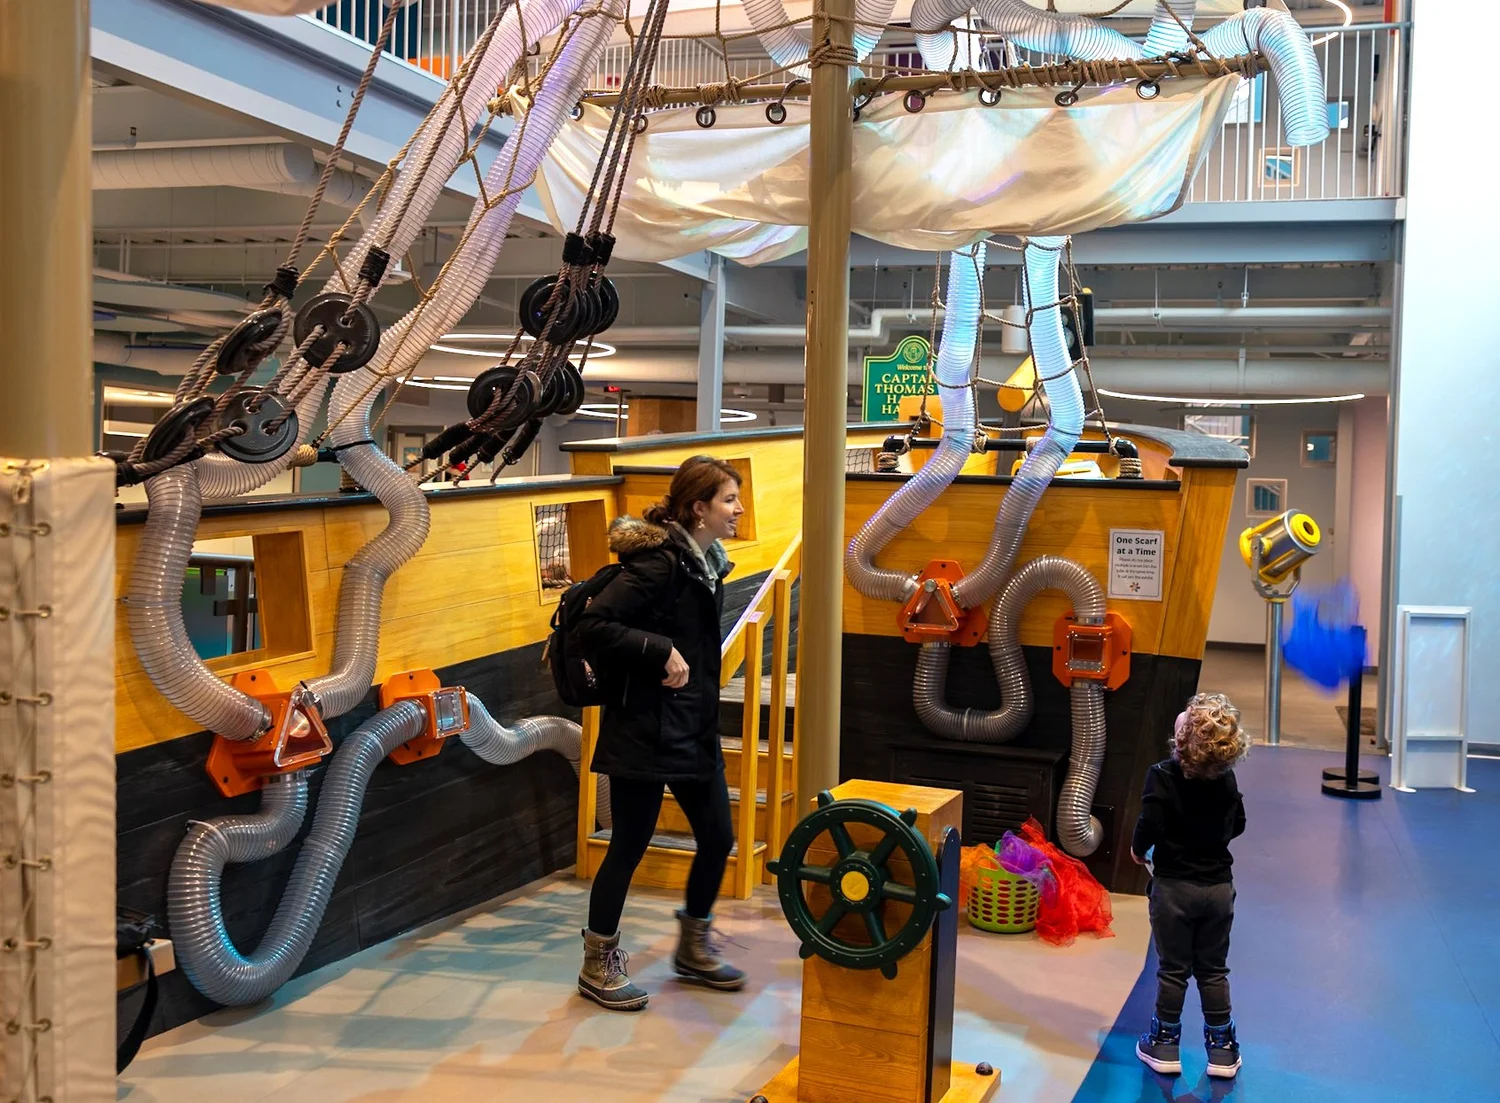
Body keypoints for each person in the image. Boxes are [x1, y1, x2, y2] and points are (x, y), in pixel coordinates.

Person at [574, 454, 748, 1011]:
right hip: (644, 729)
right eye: (728, 499)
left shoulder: (706, 563)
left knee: (719, 838)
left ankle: (693, 949)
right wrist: (660, 650)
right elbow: (592, 625)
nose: (739, 509)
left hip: (693, 727)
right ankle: (597, 964)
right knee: (628, 845)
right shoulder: (660, 565)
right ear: (698, 508)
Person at [1131, 692, 1249, 1080]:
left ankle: (1164, 1043)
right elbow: (1239, 825)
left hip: (1173, 889)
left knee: (1174, 969)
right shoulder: (1226, 778)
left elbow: (1150, 822)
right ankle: (1222, 1050)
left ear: (1183, 740)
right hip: (1218, 889)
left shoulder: (1161, 775)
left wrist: (1138, 850)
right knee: (1214, 969)